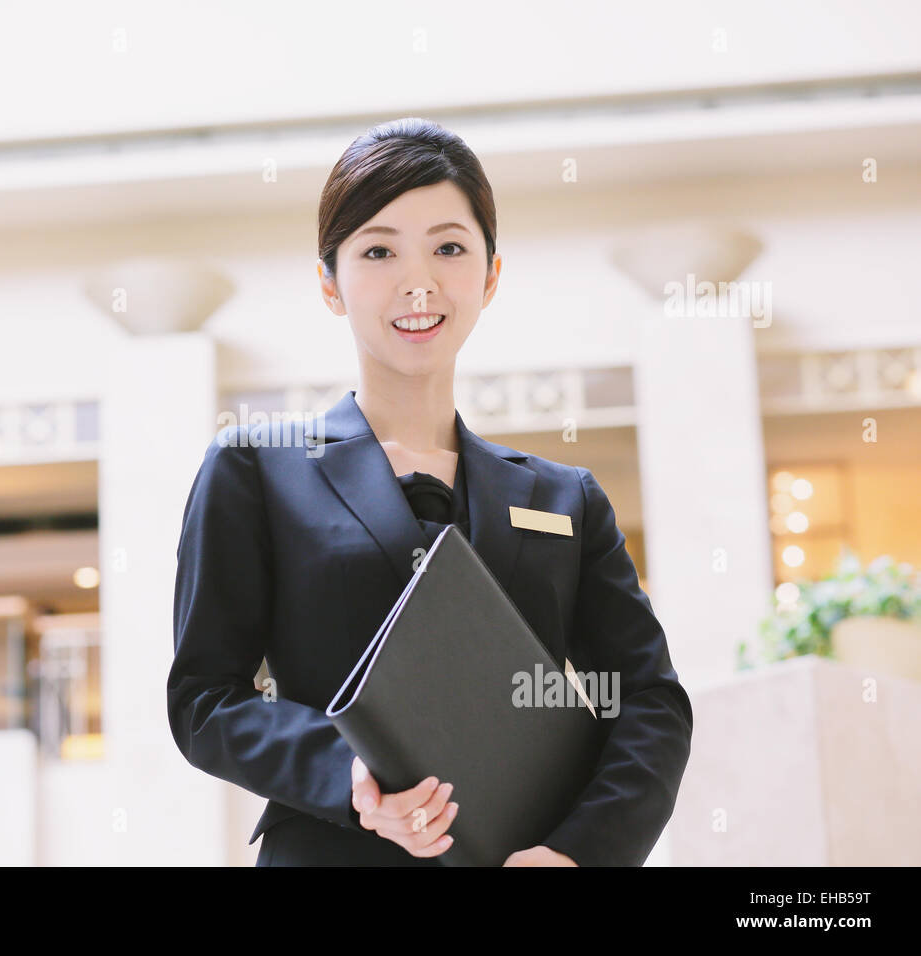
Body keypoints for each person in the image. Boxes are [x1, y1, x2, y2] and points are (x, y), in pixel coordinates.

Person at [167, 117, 693, 866]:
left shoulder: (566, 498)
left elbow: (648, 699)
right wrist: (353, 776)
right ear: (329, 282)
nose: (418, 281)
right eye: (378, 251)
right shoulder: (255, 468)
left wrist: (579, 852)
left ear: (491, 275)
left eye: (448, 247)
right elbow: (204, 701)